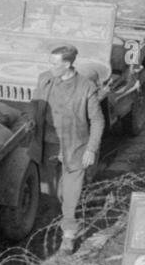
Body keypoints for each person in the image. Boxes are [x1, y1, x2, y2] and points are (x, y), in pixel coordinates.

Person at [35, 44, 104, 249]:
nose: (51, 66)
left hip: (75, 147)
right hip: (48, 144)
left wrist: (91, 149)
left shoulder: (85, 87)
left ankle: (69, 234)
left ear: (67, 64)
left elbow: (98, 121)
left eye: (55, 63)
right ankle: (60, 216)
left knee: (71, 192)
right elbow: (35, 106)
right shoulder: (45, 79)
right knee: (55, 191)